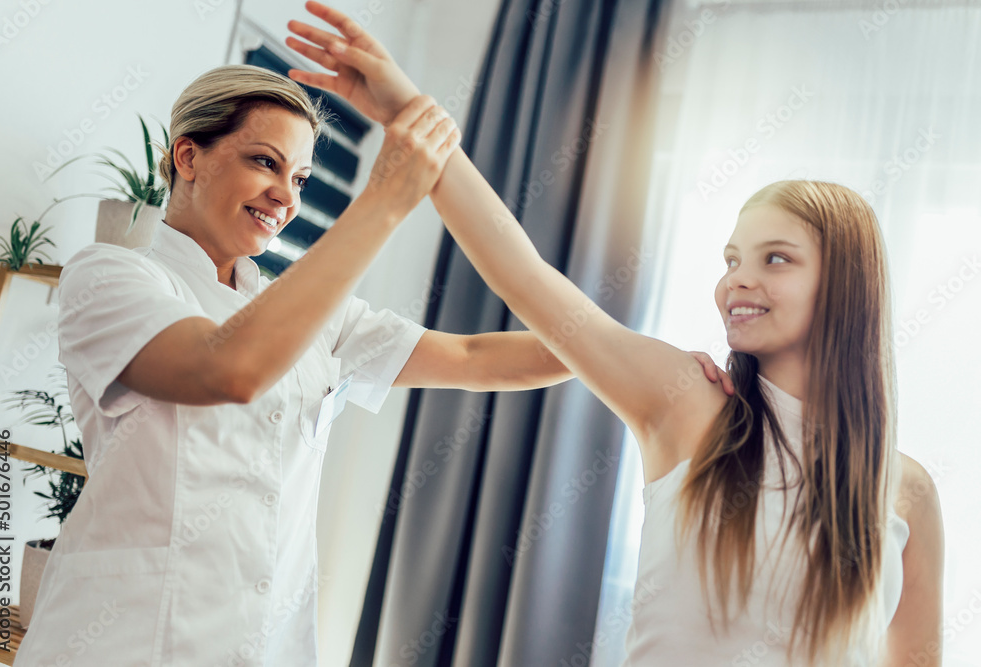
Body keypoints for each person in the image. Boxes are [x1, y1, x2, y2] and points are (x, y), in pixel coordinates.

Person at [284, 3, 945, 666]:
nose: (737, 281)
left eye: (775, 259)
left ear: (846, 286)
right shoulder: (688, 400)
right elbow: (523, 275)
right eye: (730, 260)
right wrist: (409, 113)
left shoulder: (908, 491)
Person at [13, 62, 736, 666]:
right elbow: (226, 369)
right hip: (125, 640)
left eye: (300, 177)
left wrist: (652, 355)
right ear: (188, 156)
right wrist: (386, 197)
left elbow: (483, 358)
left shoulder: (308, 312)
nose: (285, 196)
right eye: (265, 162)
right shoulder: (111, 277)